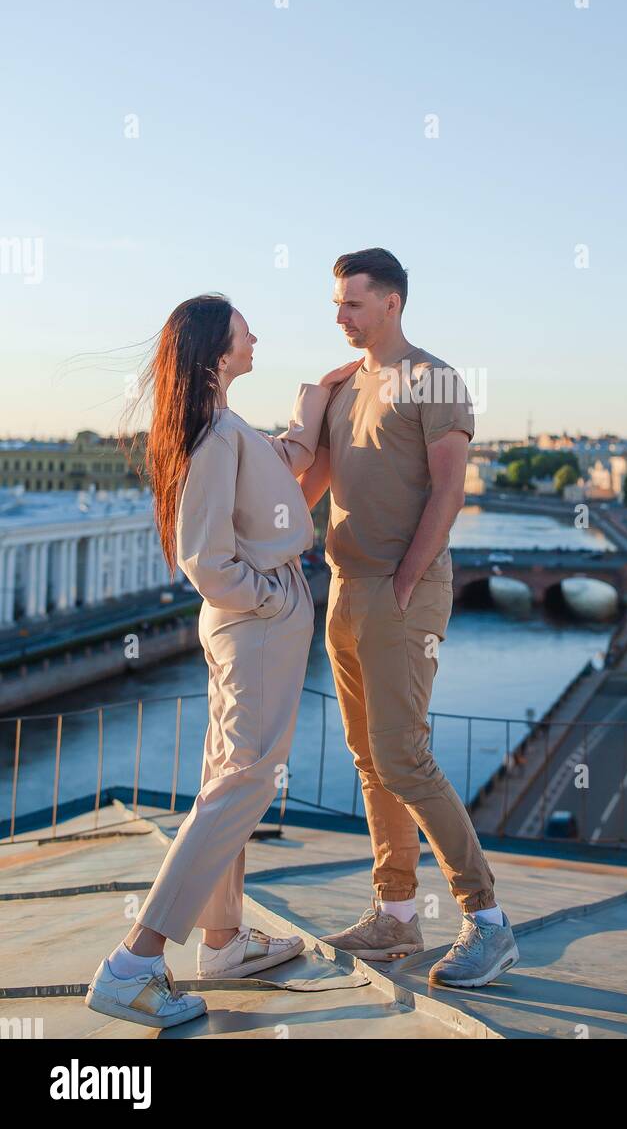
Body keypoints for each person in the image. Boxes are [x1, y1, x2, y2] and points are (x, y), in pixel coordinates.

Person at [85, 293, 360, 1029]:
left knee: (231, 779)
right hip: (256, 624)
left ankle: (225, 939)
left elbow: (289, 461)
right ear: (217, 349)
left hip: (252, 625)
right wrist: (270, 599)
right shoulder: (212, 438)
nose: (256, 336)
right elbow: (203, 558)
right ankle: (134, 962)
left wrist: (317, 398)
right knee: (242, 782)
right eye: (246, 331)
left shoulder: (227, 430)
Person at [299, 249, 519, 988]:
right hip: (343, 586)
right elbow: (307, 492)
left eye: (352, 304)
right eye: (337, 303)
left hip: (402, 592)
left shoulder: (436, 380)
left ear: (391, 303)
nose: (339, 316)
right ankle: (395, 916)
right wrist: (302, 417)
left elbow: (449, 492)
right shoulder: (341, 388)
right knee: (369, 760)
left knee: (404, 757)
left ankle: (486, 920)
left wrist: (403, 583)